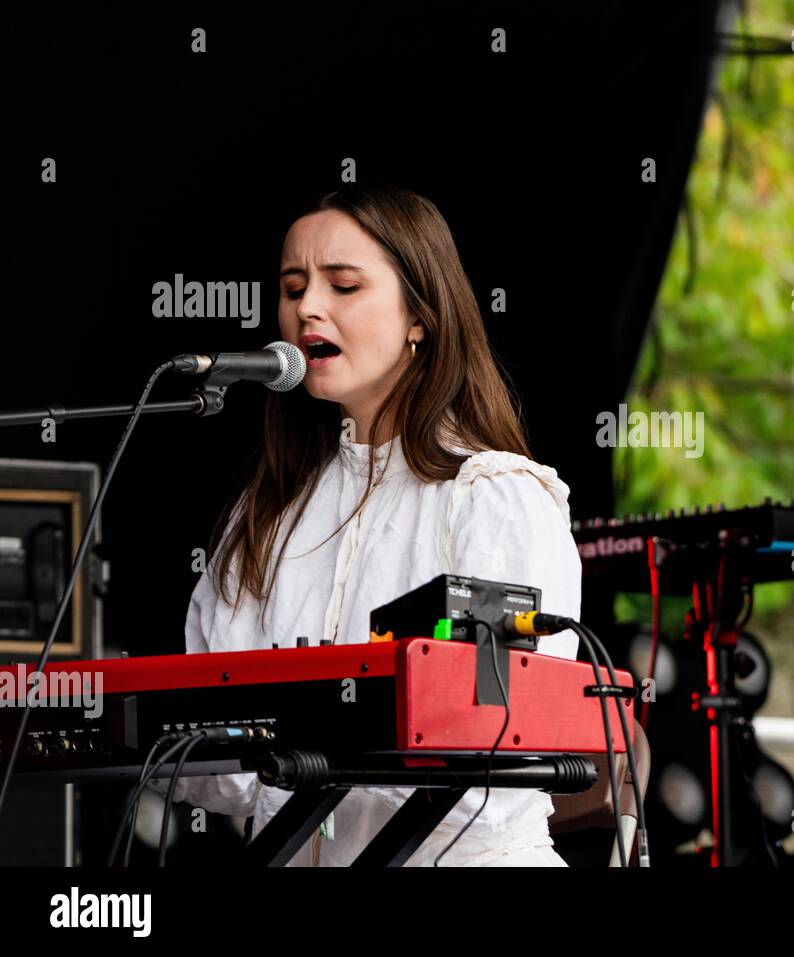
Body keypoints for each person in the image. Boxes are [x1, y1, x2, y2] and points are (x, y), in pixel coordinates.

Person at [152, 184, 581, 866]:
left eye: (343, 285)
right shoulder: (268, 511)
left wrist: (316, 740)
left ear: (420, 314)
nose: (307, 308)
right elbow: (222, 776)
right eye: (293, 287)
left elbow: (498, 761)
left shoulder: (497, 498)